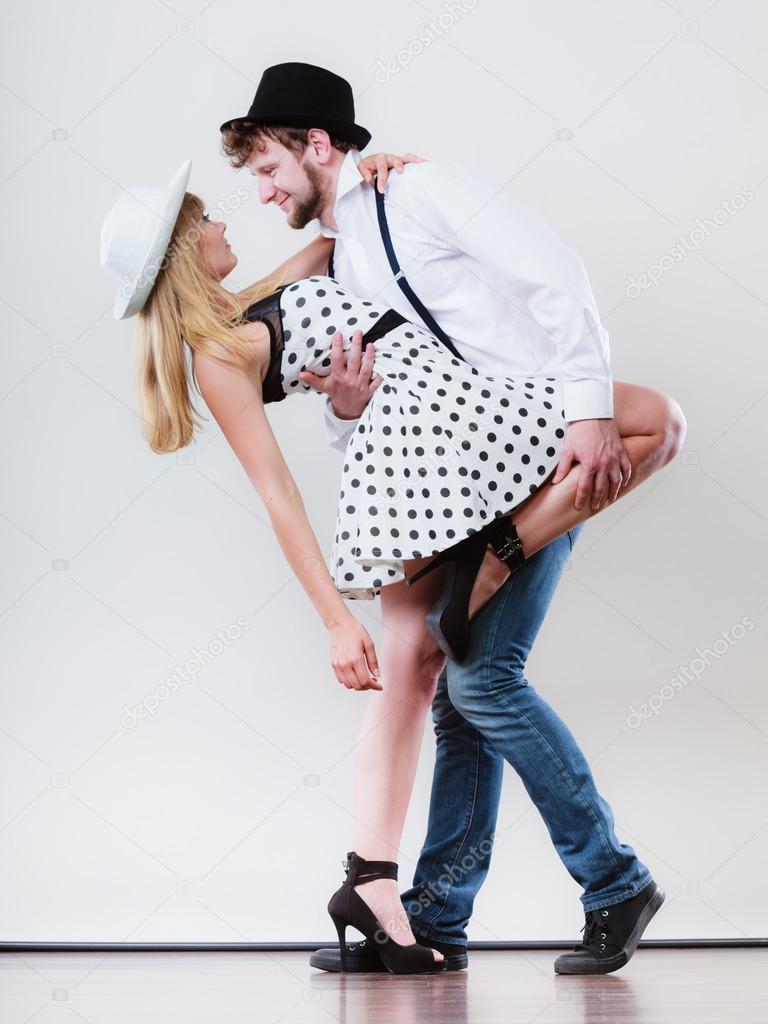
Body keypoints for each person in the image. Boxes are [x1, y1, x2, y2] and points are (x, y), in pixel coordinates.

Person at [217, 62, 685, 975]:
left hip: (542, 464)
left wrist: (587, 408)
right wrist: (346, 410)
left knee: (479, 686)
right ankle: (437, 915)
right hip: (459, 488)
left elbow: (556, 272)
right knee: (461, 704)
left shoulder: (419, 187)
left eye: (268, 166)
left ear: (319, 144)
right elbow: (394, 408)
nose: (263, 190)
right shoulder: (342, 252)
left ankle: (613, 881)